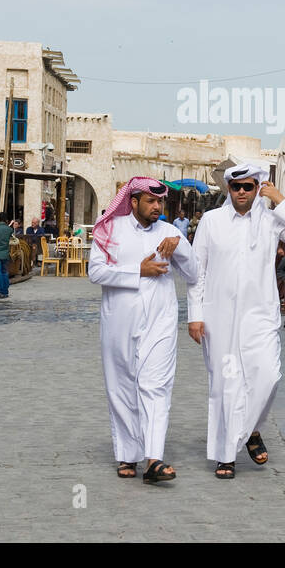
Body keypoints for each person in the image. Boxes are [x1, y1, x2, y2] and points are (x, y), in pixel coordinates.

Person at [187, 163, 285, 479]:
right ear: (228, 189)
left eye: (248, 187)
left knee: (268, 376)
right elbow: (196, 272)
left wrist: (281, 201)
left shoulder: (271, 222)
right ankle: (225, 455)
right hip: (219, 317)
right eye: (236, 187)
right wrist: (195, 315)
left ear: (257, 189)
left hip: (261, 315)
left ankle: (251, 429)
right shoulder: (212, 222)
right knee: (226, 385)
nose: (242, 192)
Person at [89, 177, 198, 484]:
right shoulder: (109, 229)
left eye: (160, 202)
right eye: (150, 201)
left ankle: (153, 458)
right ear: (133, 201)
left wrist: (182, 249)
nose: (157, 207)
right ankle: (127, 454)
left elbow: (194, 274)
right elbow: (95, 272)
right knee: (121, 386)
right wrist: (138, 270)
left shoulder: (170, 233)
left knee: (156, 386)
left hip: (160, 323)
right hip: (118, 321)